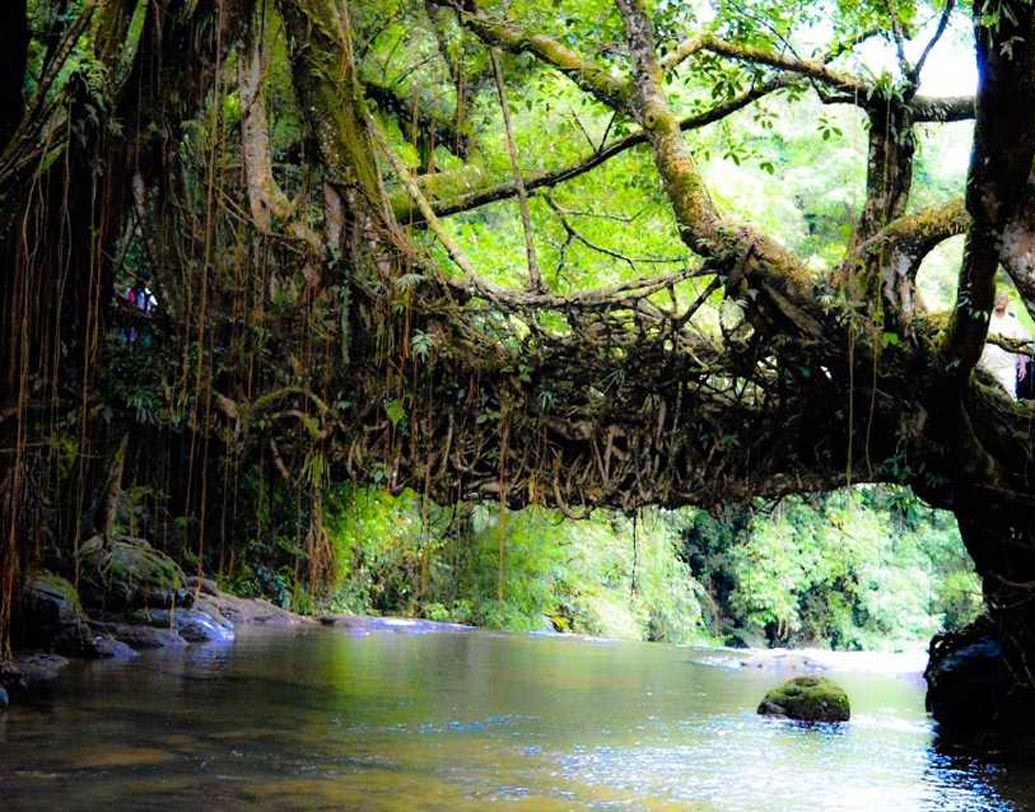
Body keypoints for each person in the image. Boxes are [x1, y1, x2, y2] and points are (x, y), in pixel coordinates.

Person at [979, 289, 1031, 399]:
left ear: (1007, 301)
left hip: (1006, 368)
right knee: (985, 398)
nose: (999, 301)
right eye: (996, 298)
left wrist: (1022, 365)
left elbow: (1021, 344)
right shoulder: (985, 320)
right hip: (985, 368)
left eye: (1002, 298)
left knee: (1009, 396)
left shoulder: (1013, 323)